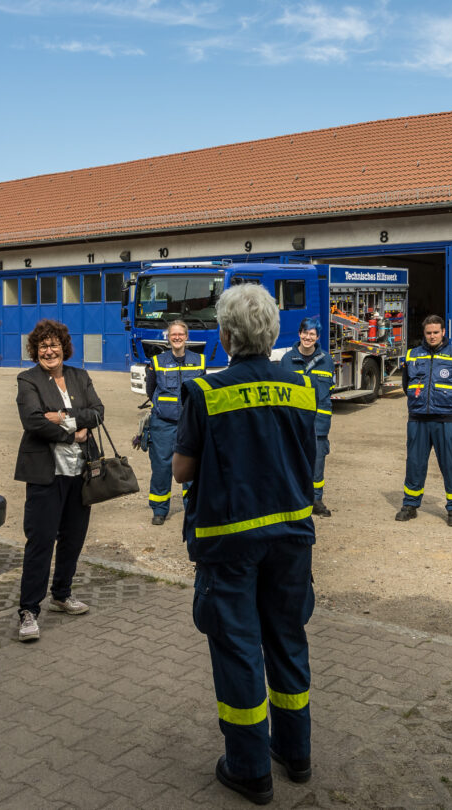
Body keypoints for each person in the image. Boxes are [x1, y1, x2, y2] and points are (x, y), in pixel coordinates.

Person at [173, 283, 317, 806]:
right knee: (287, 638)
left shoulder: (207, 391)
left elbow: (182, 469)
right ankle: (295, 755)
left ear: (226, 334)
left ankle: (250, 769)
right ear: (275, 333)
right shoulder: (301, 387)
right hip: (292, 538)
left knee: (238, 650)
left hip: (228, 542)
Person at [13, 319, 105, 641]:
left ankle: (62, 594)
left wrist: (63, 417)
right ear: (35, 351)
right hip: (45, 474)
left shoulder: (79, 376)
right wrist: (73, 435)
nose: (48, 350)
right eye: (42, 346)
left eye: (54, 345)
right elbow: (33, 421)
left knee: (73, 537)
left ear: (63, 347)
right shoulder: (28, 379)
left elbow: (98, 412)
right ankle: (28, 610)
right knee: (40, 541)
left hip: (80, 473)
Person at [395, 315, 452, 527]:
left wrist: (451, 404)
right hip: (418, 420)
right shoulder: (412, 355)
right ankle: (410, 505)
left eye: (436, 332)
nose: (432, 336)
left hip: (447, 421)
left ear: (443, 332)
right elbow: (406, 385)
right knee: (415, 464)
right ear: (424, 333)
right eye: (428, 333)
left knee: (450, 465)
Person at [144, 320, 205, 525]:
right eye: (173, 335)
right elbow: (150, 391)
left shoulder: (200, 360)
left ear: (187, 337)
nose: (177, 338)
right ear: (168, 338)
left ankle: (193, 508)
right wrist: (164, 408)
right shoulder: (157, 361)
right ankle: (159, 510)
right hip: (163, 423)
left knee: (191, 467)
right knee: (162, 466)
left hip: (190, 424)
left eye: (181, 334)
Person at [277, 316, 335, 517]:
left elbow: (329, 392)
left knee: (317, 465)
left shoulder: (327, 360)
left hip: (318, 425)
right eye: (305, 333)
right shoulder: (287, 360)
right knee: (293, 464)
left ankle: (316, 500)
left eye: (312, 334)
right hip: (294, 424)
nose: (308, 337)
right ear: (299, 334)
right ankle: (293, 501)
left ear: (317, 336)